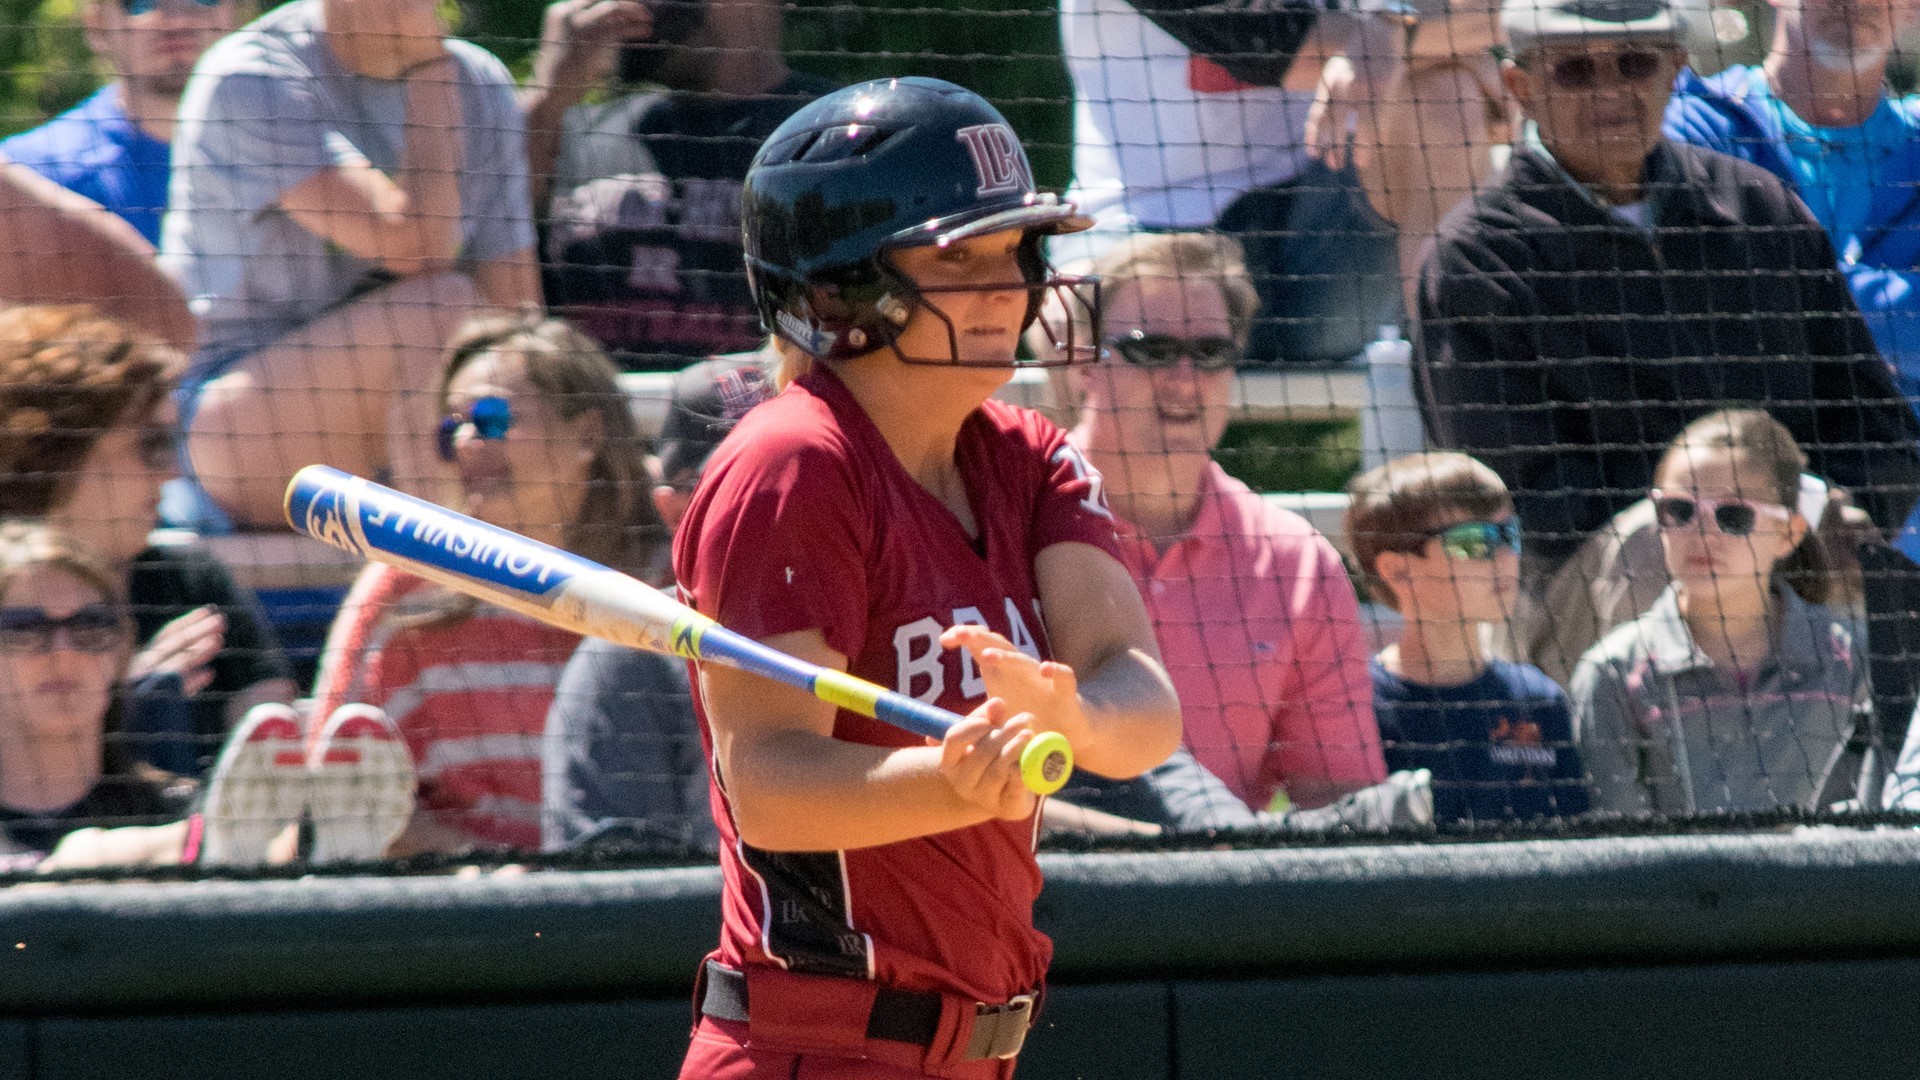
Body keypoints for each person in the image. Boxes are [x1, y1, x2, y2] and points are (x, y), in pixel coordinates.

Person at [675, 77, 1181, 1077]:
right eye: (962, 256)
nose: (1009, 287)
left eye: (1014, 252)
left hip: (979, 1052)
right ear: (842, 289)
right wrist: (958, 777)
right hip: (814, 1045)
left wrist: (1068, 722)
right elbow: (769, 785)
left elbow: (1142, 700)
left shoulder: (1027, 454)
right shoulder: (795, 465)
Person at [1413, 0, 1920, 682]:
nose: (1611, 91)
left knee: (1869, 548)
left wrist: (1816, 509)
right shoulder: (1476, 258)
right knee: (1661, 543)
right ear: (1520, 88)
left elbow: (1878, 427)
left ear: (1675, 71)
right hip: (1593, 596)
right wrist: (1737, 517)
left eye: (1634, 63)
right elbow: (1534, 502)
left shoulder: (1761, 210)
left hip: (1792, 557)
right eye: (1574, 71)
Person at [1035, 231, 1383, 813]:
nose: (1185, 378)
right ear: (1081, 364)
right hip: (1039, 885)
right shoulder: (1000, 515)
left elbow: (1335, 795)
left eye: (1212, 353)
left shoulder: (1295, 561)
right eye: (1152, 349)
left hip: (1214, 892)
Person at [161, 0, 541, 528]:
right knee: (439, 307)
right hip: (227, 432)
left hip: (407, 424)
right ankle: (439, 583)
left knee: (530, 370)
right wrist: (430, 75)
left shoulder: (480, 79)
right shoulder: (249, 76)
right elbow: (417, 243)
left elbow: (515, 307)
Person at [314, 315, 668, 856]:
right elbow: (341, 795)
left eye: (491, 419)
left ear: (588, 434)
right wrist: (488, 879)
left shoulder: (672, 581)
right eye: (449, 428)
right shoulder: (404, 591)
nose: (464, 443)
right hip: (460, 915)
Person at [1055, 0, 1504, 363]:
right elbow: (1267, 42)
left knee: (1448, 92)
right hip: (1144, 230)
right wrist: (1406, 32)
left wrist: (1403, 30)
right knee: (1068, 334)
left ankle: (1459, 424)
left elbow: (1508, 12)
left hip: (1312, 245)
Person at [0, 521, 410, 870]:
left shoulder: (187, 807)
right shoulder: (197, 830)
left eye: (91, 625)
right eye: (23, 628)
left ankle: (329, 858)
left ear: (121, 650)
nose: (64, 651)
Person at [0, 306, 296, 776]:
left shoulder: (189, 584)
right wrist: (131, 702)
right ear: (65, 450)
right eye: (152, 445)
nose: (174, 471)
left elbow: (273, 746)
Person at [1570, 410, 1876, 816]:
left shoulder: (1859, 659)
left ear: (1789, 533)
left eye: (1733, 516)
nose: (1701, 532)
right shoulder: (1609, 673)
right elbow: (1617, 854)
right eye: (1679, 510)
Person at [526, 0, 836, 370]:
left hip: (757, 415)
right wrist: (548, 96)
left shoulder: (834, 131)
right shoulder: (569, 132)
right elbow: (484, 243)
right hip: (588, 419)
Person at [542, 354, 771, 855]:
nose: (771, 508)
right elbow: (617, 899)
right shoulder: (627, 657)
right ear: (672, 509)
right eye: (735, 486)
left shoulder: (898, 620)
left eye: (789, 478)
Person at [1347, 452, 1588, 825]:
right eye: (1474, 542)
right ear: (1399, 571)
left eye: (1510, 534)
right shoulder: (1357, 704)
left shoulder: (1540, 700)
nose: (1505, 556)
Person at [0, 0, 238, 245]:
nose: (177, 20)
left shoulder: (277, 155)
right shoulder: (25, 177)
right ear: (97, 25)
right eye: (140, 3)